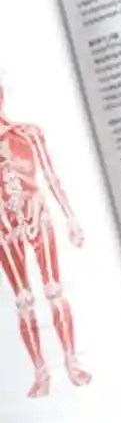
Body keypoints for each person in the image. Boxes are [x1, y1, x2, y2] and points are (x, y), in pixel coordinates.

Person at [0, 80, 91, 398]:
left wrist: (71, 216)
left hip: (37, 215)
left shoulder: (28, 133)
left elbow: (51, 176)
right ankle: (41, 372)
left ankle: (71, 361)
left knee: (53, 289)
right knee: (24, 299)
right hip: (3, 227)